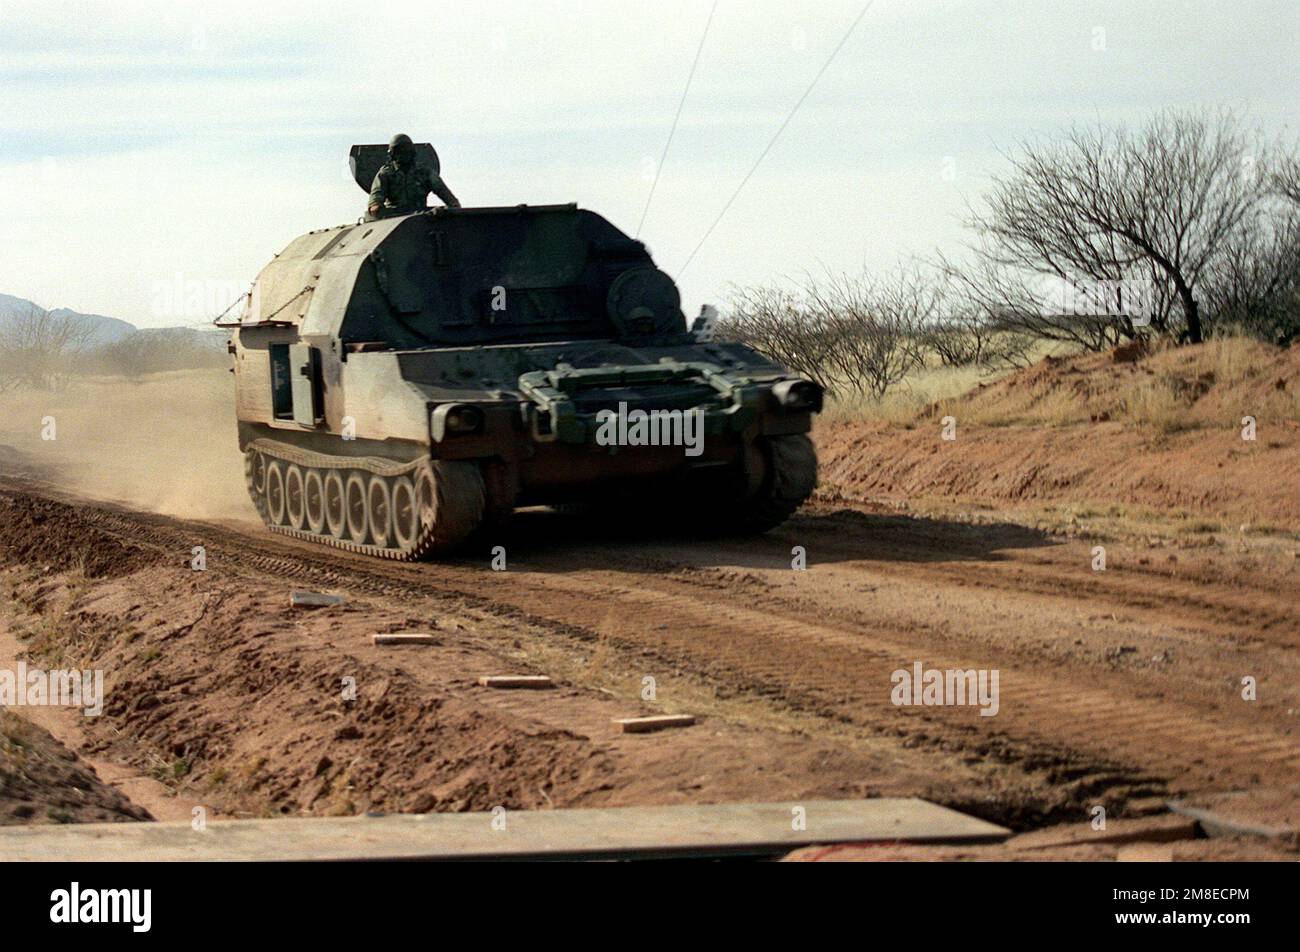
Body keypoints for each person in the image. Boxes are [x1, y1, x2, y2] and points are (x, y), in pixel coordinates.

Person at [366, 134, 461, 220]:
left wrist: (450, 207)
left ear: (413, 151)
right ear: (392, 154)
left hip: (422, 217)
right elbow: (375, 201)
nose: (404, 153)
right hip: (394, 219)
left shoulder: (425, 172)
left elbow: (445, 194)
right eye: (399, 150)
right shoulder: (385, 174)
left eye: (407, 149)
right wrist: (377, 207)